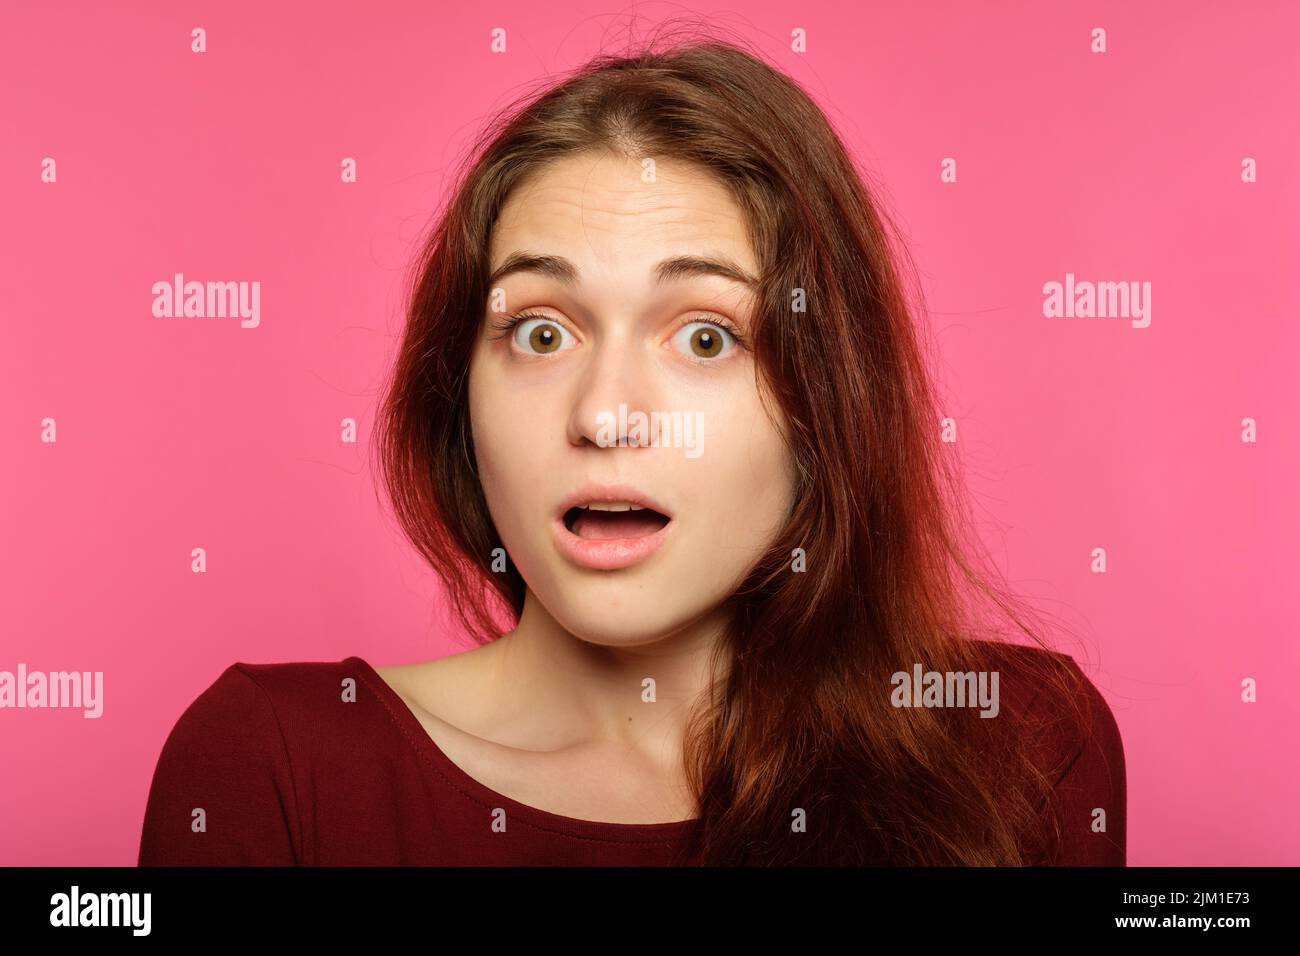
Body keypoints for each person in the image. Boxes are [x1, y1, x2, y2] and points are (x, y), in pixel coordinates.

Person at [139, 30, 1125, 867]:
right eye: (540, 331)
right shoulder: (272, 766)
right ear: (458, 394)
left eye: (704, 336)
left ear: (824, 406)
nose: (605, 415)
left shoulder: (1019, 746)